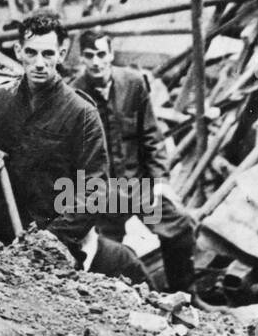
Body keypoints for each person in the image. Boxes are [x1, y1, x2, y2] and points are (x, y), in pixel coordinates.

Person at [0, 9, 147, 282]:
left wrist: (48, 240)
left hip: (56, 250)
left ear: (62, 54)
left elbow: (95, 191)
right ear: (18, 51)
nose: (39, 63)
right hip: (1, 238)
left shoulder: (81, 113)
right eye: (31, 53)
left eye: (48, 54)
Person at [72, 29, 197, 293]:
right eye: (89, 55)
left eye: (101, 54)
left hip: (139, 188)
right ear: (81, 58)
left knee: (181, 225)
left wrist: (159, 183)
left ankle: (184, 296)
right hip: (101, 195)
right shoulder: (72, 95)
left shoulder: (133, 84)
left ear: (111, 54)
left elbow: (151, 136)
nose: (96, 62)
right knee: (103, 255)